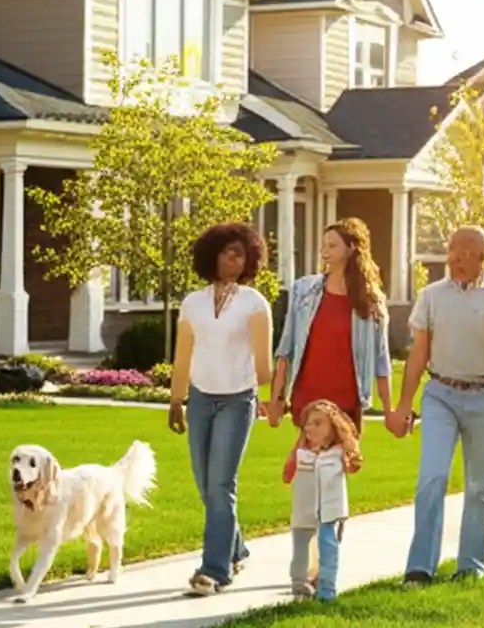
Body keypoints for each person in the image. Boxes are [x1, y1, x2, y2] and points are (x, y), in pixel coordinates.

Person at [392, 225, 484, 585]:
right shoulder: (432, 296)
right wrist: (405, 403)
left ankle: (470, 568)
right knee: (432, 478)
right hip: (440, 394)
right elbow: (418, 353)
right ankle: (420, 567)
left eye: (466, 253)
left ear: (483, 258)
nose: (456, 259)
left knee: (480, 487)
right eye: (452, 251)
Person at [167, 222, 273, 597]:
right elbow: (183, 357)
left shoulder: (253, 302)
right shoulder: (192, 303)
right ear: (212, 255)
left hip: (237, 399)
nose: (233, 257)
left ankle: (214, 571)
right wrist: (176, 399)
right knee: (204, 483)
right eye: (227, 251)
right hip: (199, 399)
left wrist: (271, 396)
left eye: (240, 253)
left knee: (221, 484)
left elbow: (263, 359)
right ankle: (237, 548)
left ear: (249, 260)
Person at [267, 217, 401, 438]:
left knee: (336, 469)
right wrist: (276, 399)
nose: (324, 251)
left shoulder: (370, 301)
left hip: (347, 401)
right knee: (307, 465)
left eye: (332, 245)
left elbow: (381, 360)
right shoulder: (304, 291)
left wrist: (388, 410)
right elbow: (285, 350)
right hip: (308, 397)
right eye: (324, 245)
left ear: (351, 249)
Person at [283, 399, 362, 602]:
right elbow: (287, 475)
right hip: (305, 510)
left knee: (328, 547)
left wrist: (349, 455)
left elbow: (353, 465)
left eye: (318, 423)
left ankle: (327, 589)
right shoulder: (304, 455)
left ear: (333, 427)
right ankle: (299, 583)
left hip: (330, 513)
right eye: (309, 424)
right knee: (300, 545)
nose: (311, 428)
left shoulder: (337, 454)